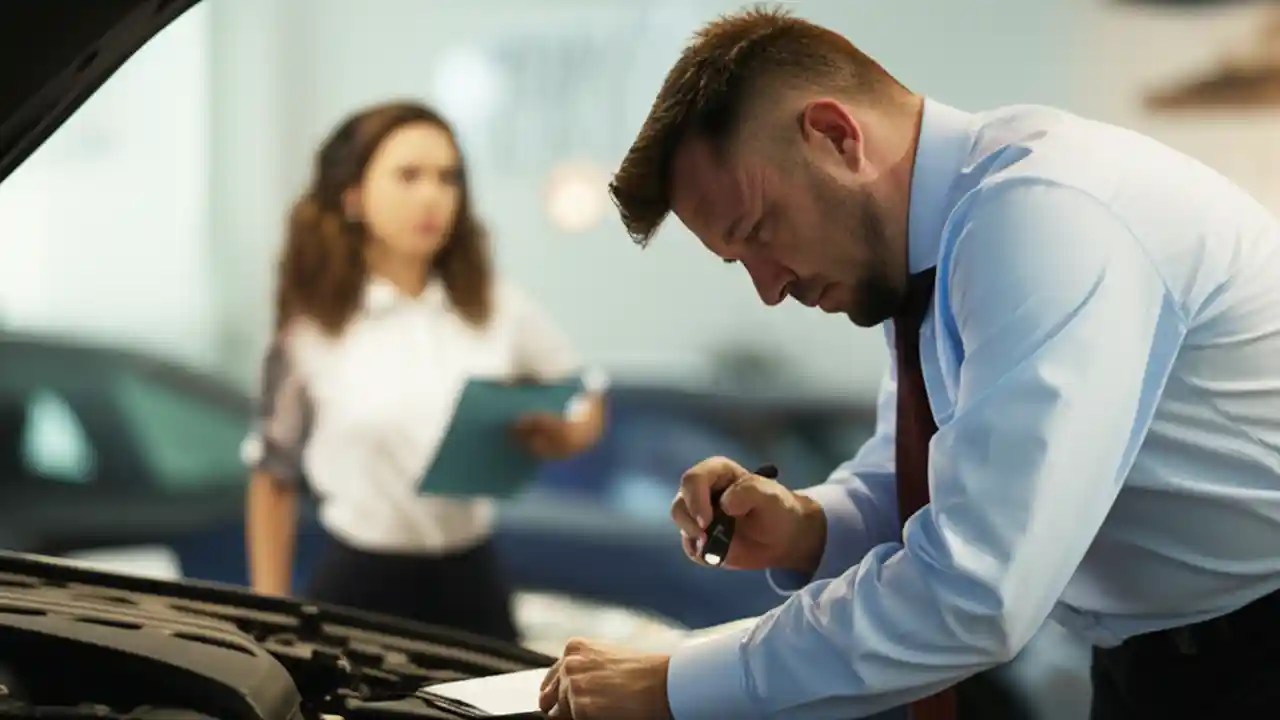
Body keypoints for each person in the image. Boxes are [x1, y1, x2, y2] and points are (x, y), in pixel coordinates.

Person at [537, 7, 1280, 720]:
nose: (769, 289)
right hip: (1158, 662)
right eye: (739, 261)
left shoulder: (1045, 219)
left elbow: (976, 586)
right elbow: (924, 482)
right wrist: (806, 526)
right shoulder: (939, 248)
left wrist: (677, 686)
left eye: (760, 231)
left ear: (835, 135)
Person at [242, 100, 605, 643]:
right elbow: (273, 478)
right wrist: (269, 620)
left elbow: (585, 393)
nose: (432, 196)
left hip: (471, 578)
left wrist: (566, 433)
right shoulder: (311, 331)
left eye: (447, 177)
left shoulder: (497, 305)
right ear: (353, 195)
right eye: (408, 176)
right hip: (361, 584)